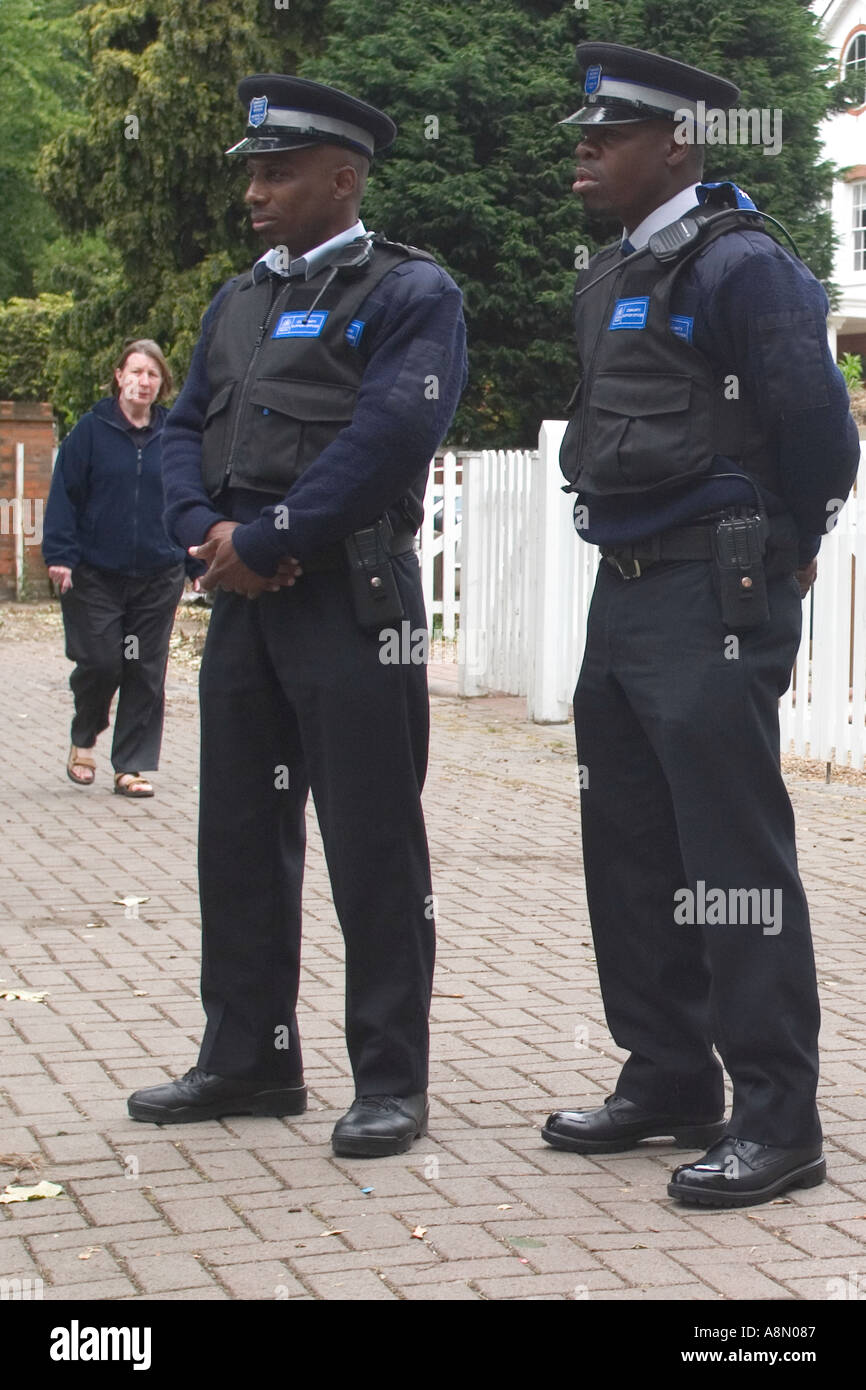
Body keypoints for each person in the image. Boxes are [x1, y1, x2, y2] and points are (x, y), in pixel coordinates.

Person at [541, 43, 860, 1207]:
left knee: (730, 858)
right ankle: (667, 1075)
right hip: (621, 586)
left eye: (604, 135)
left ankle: (777, 1118)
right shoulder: (616, 269)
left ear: (673, 144)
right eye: (581, 133)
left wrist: (792, 539)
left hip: (711, 586)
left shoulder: (742, 266)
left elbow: (818, 428)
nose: (581, 150)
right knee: (628, 844)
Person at [127, 75, 468, 1157]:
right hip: (239, 605)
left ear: (342, 177)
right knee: (234, 837)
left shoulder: (409, 292)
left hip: (352, 602)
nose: (255, 192)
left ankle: (390, 1080)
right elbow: (183, 429)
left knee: (371, 844)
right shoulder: (236, 301)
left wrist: (266, 539)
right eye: (251, 173)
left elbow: (384, 444)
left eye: (277, 173)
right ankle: (249, 1058)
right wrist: (201, 532)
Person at [42, 340, 190, 798]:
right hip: (95, 572)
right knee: (103, 662)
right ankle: (84, 734)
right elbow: (64, 496)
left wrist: (195, 558)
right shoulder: (90, 431)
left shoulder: (176, 434)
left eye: (153, 375)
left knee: (146, 669)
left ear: (162, 384)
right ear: (119, 376)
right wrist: (61, 555)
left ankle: (131, 765)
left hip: (159, 570)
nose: (144, 382)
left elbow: (190, 497)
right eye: (136, 372)